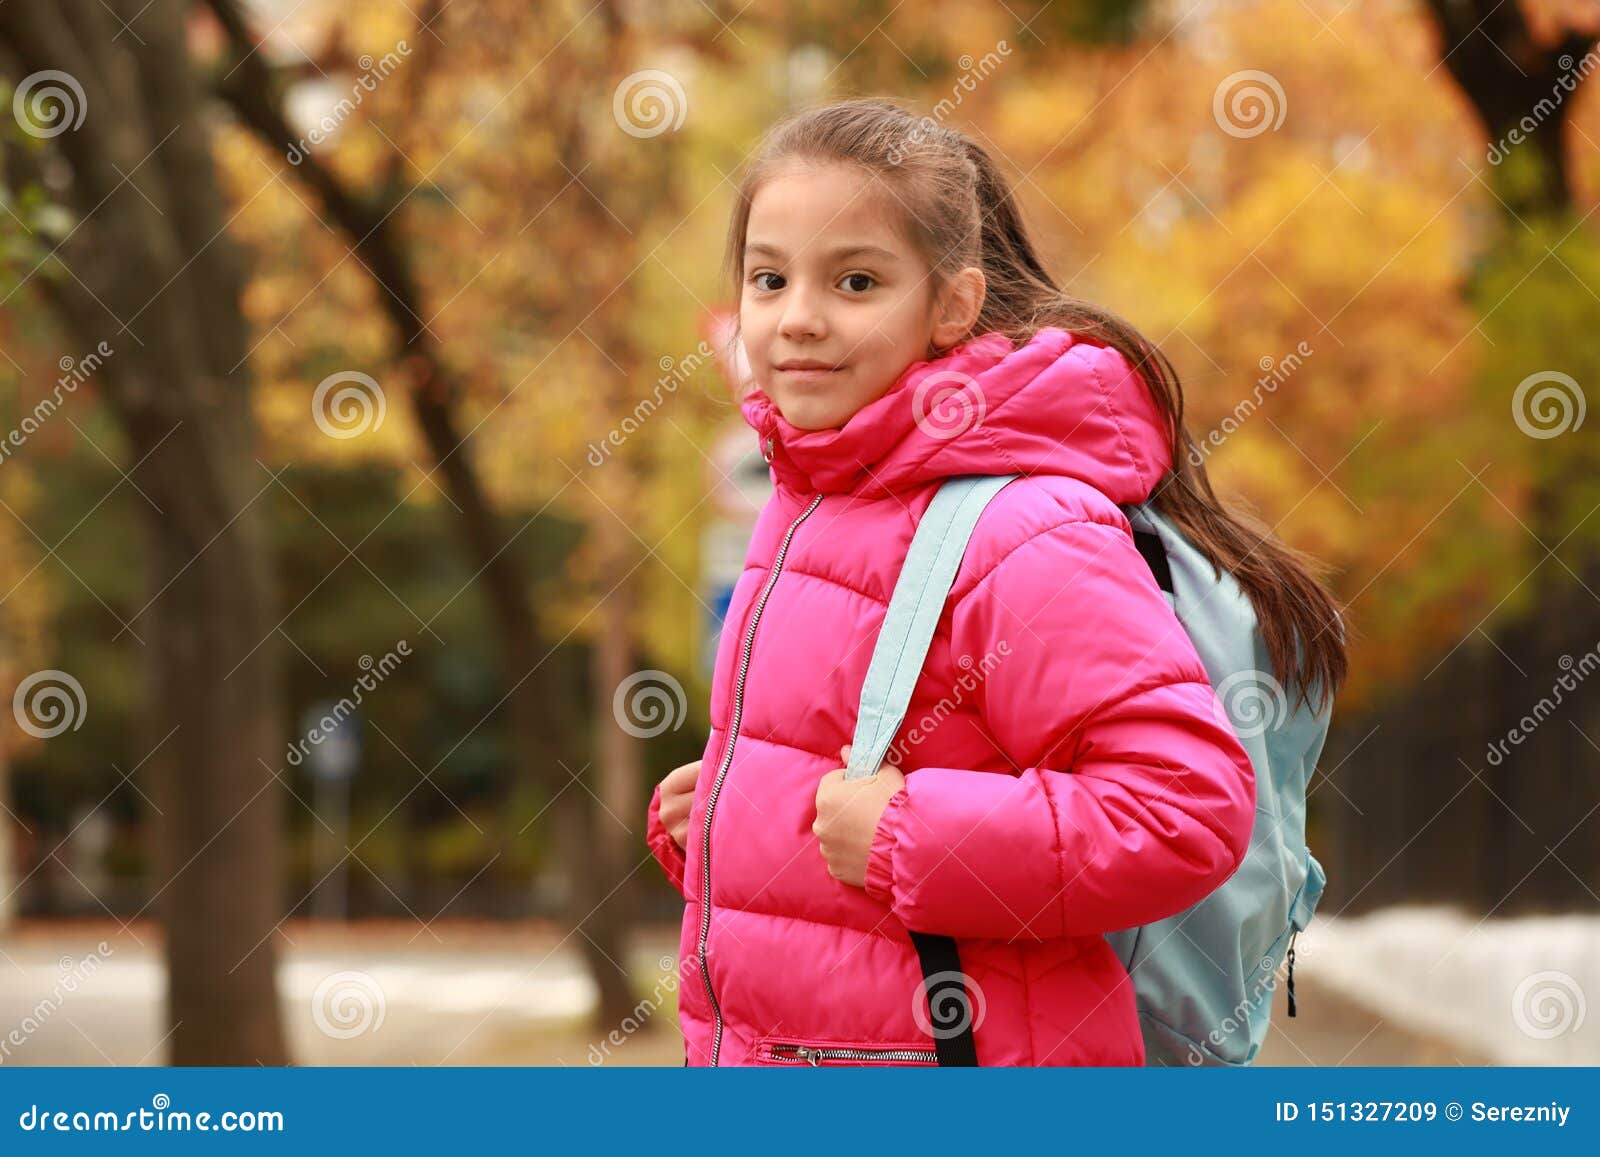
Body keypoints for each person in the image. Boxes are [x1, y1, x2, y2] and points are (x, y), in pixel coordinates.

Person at [645, 97, 1348, 1066]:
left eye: (856, 281)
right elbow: (865, 798)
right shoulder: (807, 503)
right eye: (769, 279)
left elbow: (1180, 810)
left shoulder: (1021, 528)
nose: (798, 318)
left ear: (951, 304)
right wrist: (738, 812)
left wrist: (906, 834)